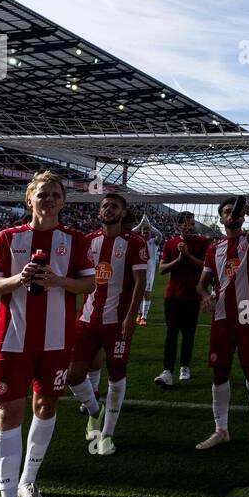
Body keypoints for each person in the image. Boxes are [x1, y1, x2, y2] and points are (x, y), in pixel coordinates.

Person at [0, 171, 95, 497]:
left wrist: (58, 280)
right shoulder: (8, 238)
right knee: (7, 411)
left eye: (55, 194)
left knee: (44, 407)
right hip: (11, 340)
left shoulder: (75, 240)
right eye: (42, 194)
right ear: (30, 200)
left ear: (63, 201)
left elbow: (89, 283)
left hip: (57, 340)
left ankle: (29, 481)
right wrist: (18, 279)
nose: (49, 199)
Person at [65, 194, 150, 456]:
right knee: (72, 375)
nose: (109, 209)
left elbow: (139, 282)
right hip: (87, 319)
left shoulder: (135, 242)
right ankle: (94, 410)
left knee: (116, 375)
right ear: (99, 211)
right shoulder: (88, 242)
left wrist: (131, 317)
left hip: (118, 322)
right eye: (105, 205)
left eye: (114, 206)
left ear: (123, 212)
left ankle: (108, 434)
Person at [194, 196, 249, 450]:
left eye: (235, 211)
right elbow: (201, 283)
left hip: (247, 313)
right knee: (220, 371)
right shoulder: (213, 249)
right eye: (227, 211)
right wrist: (206, 295)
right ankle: (221, 430)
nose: (232, 214)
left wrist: (248, 210)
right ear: (220, 218)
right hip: (221, 315)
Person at [155, 211, 209, 386]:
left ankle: (185, 366)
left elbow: (206, 267)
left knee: (188, 334)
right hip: (173, 296)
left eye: (192, 223)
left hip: (193, 296)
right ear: (179, 225)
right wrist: (178, 260)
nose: (190, 226)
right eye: (186, 223)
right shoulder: (171, 243)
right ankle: (167, 371)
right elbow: (162, 269)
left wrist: (188, 256)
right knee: (171, 334)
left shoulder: (202, 242)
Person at [133, 215, 161, 326]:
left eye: (148, 231)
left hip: (149, 273)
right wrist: (141, 225)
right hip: (138, 272)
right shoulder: (138, 241)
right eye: (144, 231)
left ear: (151, 232)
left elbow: (160, 235)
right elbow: (131, 232)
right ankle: (139, 314)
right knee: (137, 294)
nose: (145, 233)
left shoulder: (154, 242)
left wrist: (149, 225)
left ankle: (144, 317)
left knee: (146, 294)